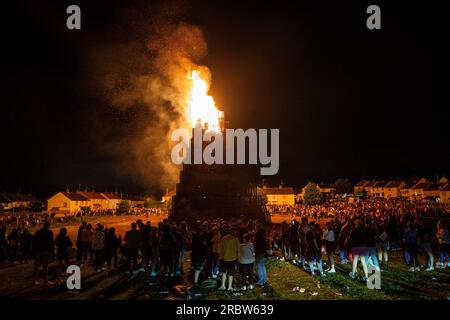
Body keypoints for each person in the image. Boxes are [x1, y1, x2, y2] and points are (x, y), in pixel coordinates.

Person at [32, 222, 55, 287]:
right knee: (45, 266)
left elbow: (34, 240)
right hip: (46, 251)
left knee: (36, 267)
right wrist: (53, 251)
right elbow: (51, 242)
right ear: (48, 226)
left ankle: (34, 281)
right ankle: (45, 281)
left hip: (39, 251)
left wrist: (35, 249)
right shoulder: (49, 232)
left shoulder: (38, 232)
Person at [218, 226, 240, 291]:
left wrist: (220, 257)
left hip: (224, 258)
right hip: (232, 259)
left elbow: (220, 249)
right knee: (231, 273)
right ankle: (229, 286)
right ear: (234, 232)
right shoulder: (236, 239)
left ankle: (223, 285)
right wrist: (238, 259)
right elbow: (238, 250)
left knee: (224, 272)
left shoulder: (223, 238)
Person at [254, 220, 268, 286]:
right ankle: (264, 279)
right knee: (262, 265)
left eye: (256, 224)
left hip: (259, 250)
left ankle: (261, 280)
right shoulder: (263, 231)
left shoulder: (259, 232)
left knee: (259, 265)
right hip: (262, 250)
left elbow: (258, 242)